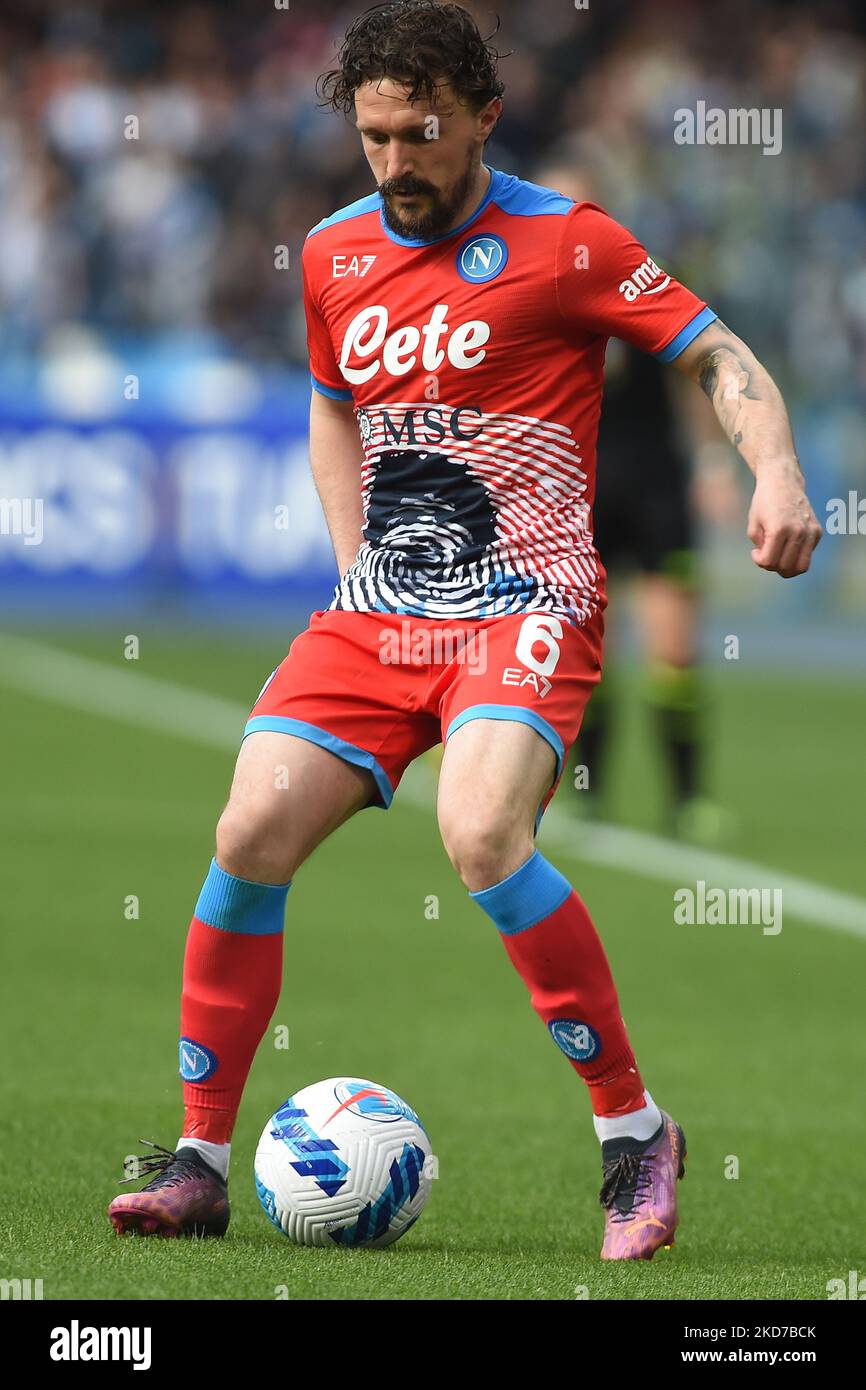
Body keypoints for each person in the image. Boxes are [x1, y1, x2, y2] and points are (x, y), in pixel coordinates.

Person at [109, 1, 822, 1260]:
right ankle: (201, 1160)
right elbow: (334, 410)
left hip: (526, 601)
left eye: (419, 133)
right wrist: (348, 570)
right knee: (248, 827)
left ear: (482, 117)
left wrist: (773, 471)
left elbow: (718, 356)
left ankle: (630, 1134)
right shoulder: (331, 254)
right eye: (373, 136)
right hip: (379, 610)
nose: (393, 163)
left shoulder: (570, 242)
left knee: (481, 829)